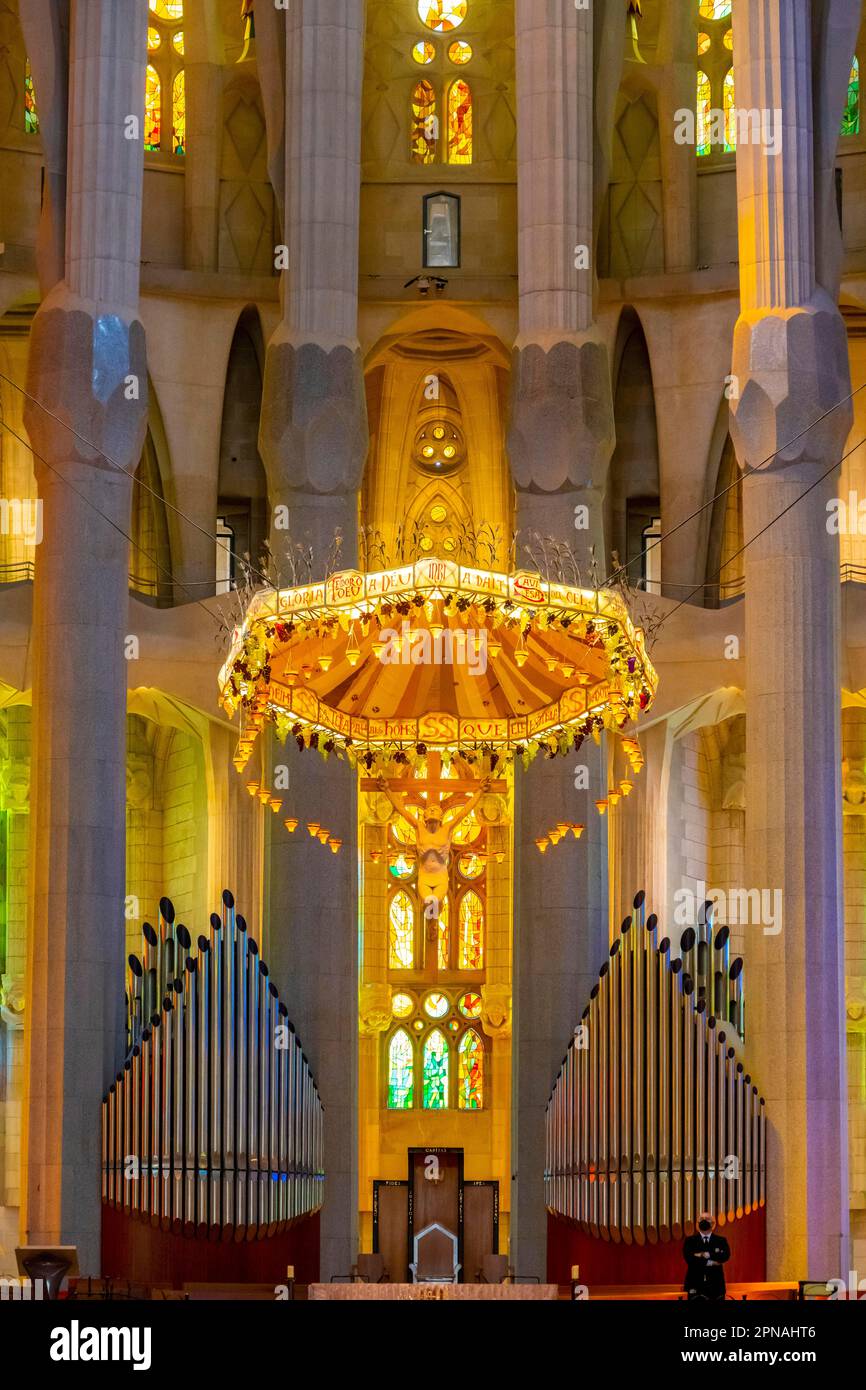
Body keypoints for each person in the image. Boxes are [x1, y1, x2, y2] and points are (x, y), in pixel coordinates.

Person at [377, 774, 489, 928]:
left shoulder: (447, 828)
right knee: (430, 902)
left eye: (435, 815)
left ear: (440, 818)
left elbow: (464, 812)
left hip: (441, 877)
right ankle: (432, 923)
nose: (432, 816)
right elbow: (402, 810)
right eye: (430, 815)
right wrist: (387, 790)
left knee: (433, 902)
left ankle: (432, 924)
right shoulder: (419, 828)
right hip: (424, 877)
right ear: (425, 818)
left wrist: (480, 791)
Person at [682, 1212, 730, 1300]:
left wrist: (705, 1254)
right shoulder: (690, 1241)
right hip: (695, 1284)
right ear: (697, 1224)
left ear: (713, 1224)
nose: (704, 1221)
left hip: (716, 1285)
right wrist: (711, 1262)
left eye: (707, 1219)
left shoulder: (721, 1240)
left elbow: (725, 1256)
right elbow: (690, 1259)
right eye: (701, 1219)